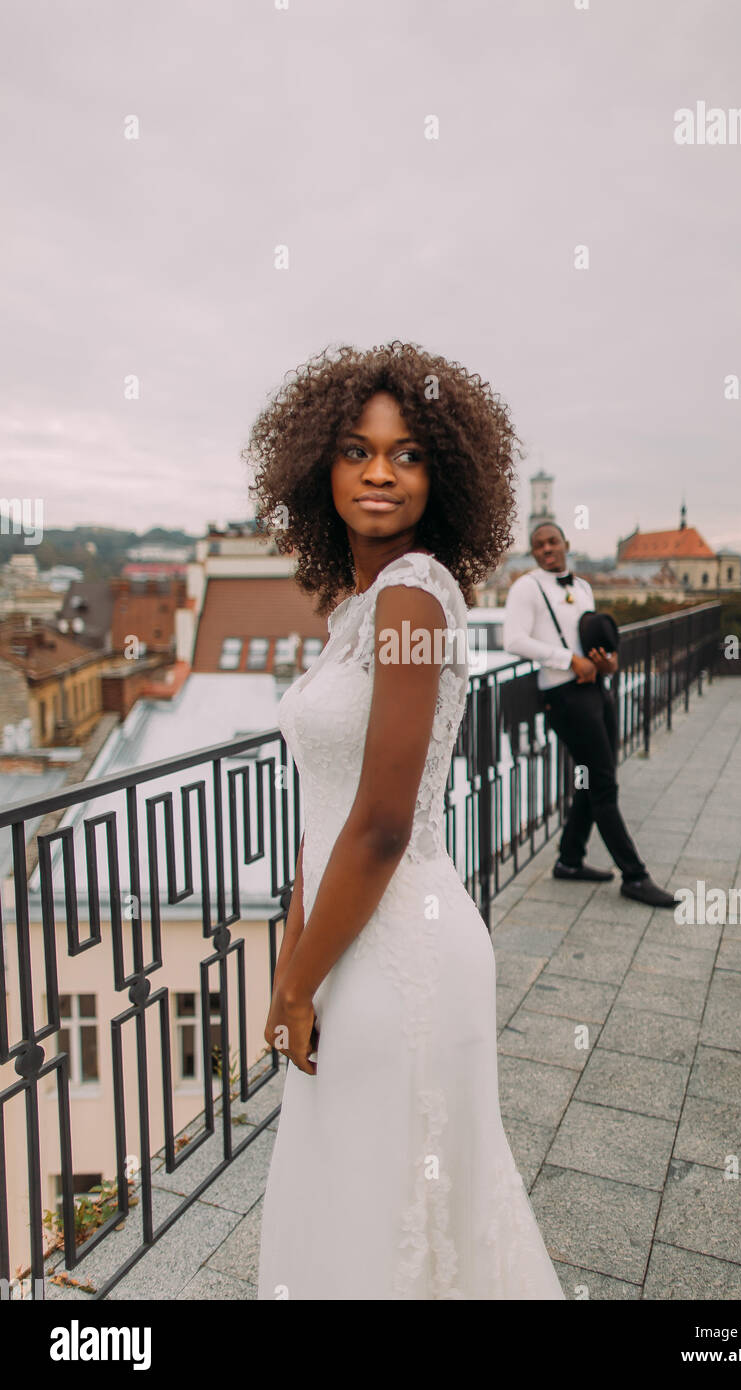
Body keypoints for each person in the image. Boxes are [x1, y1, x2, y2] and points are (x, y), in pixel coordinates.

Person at [246, 341, 565, 1300]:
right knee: (366, 1209)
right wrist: (294, 963)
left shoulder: (416, 595)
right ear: (320, 469)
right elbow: (326, 810)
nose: (380, 470)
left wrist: (298, 985)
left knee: (390, 1222)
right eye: (357, 449)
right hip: (350, 941)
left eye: (409, 453)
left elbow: (383, 823)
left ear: (444, 477)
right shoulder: (360, 607)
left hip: (401, 959)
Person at [503, 521, 677, 908]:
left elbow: (592, 640)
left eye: (552, 542)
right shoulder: (525, 587)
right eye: (538, 546)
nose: (546, 549)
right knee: (603, 784)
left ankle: (569, 860)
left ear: (565, 543)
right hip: (563, 695)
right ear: (534, 552)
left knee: (598, 774)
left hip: (595, 687)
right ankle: (635, 876)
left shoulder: (582, 587)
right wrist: (568, 659)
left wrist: (606, 662)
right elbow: (512, 639)